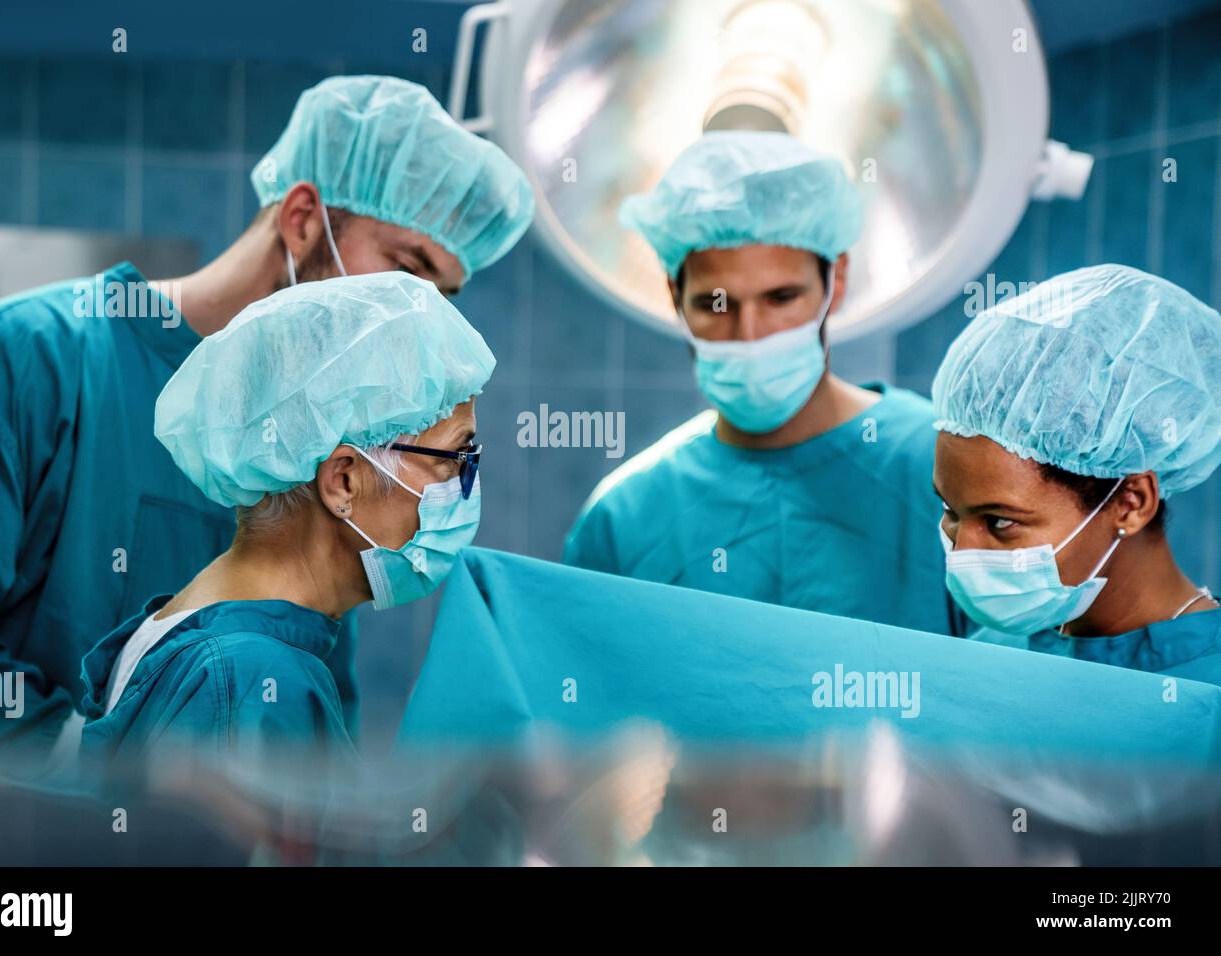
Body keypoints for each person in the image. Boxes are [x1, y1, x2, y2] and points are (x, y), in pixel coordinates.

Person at [0, 75, 532, 767]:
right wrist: (91, 775)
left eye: (443, 294)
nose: (420, 311)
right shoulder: (26, 360)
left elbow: (305, 701)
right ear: (303, 218)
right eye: (406, 268)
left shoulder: (340, 433)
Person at [77, 272, 492, 776]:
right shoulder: (251, 679)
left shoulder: (195, 628)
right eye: (454, 456)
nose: (463, 485)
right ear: (344, 481)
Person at [564, 131, 963, 635]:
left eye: (781, 298)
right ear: (673, 293)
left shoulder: (946, 469)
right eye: (717, 303)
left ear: (835, 281)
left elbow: (1018, 686)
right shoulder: (625, 516)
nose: (749, 333)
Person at [932, 264, 1221, 683]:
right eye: (951, 511)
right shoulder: (987, 659)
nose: (961, 553)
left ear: (1131, 503)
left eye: (1000, 521)